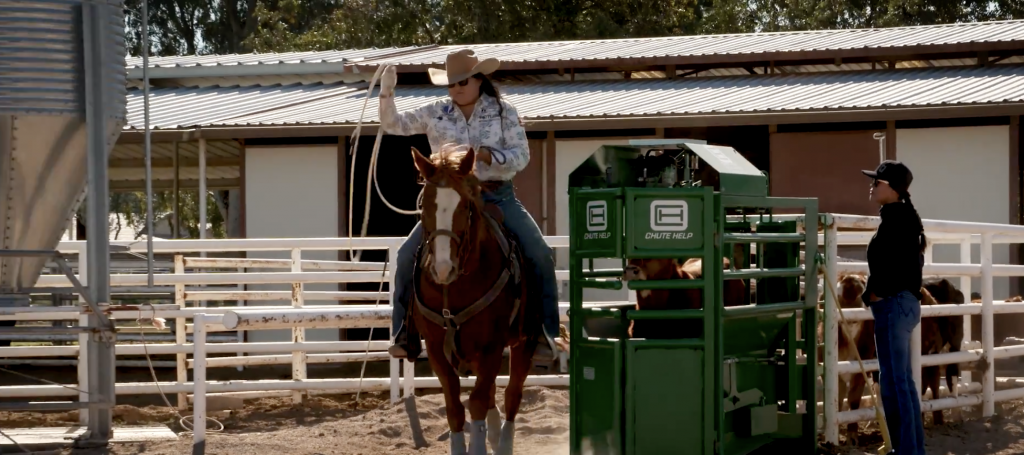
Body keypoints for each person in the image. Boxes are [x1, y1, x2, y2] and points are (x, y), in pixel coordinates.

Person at [378, 49, 567, 364]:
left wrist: (490, 156)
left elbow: (521, 155)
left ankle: (546, 334)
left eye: (463, 82)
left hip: (496, 196)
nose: (457, 88)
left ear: (479, 80)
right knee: (406, 255)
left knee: (539, 253)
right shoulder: (435, 112)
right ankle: (403, 333)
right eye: (451, 84)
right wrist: (387, 92)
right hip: (451, 200)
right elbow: (393, 124)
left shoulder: (504, 112)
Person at [861, 160, 926, 455]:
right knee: (901, 381)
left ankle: (906, 451)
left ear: (893, 189)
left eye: (877, 182)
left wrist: (876, 292)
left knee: (894, 382)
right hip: (903, 304)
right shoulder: (904, 219)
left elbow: (892, 268)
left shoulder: (895, 221)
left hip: (893, 305)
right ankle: (911, 449)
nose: (872, 186)